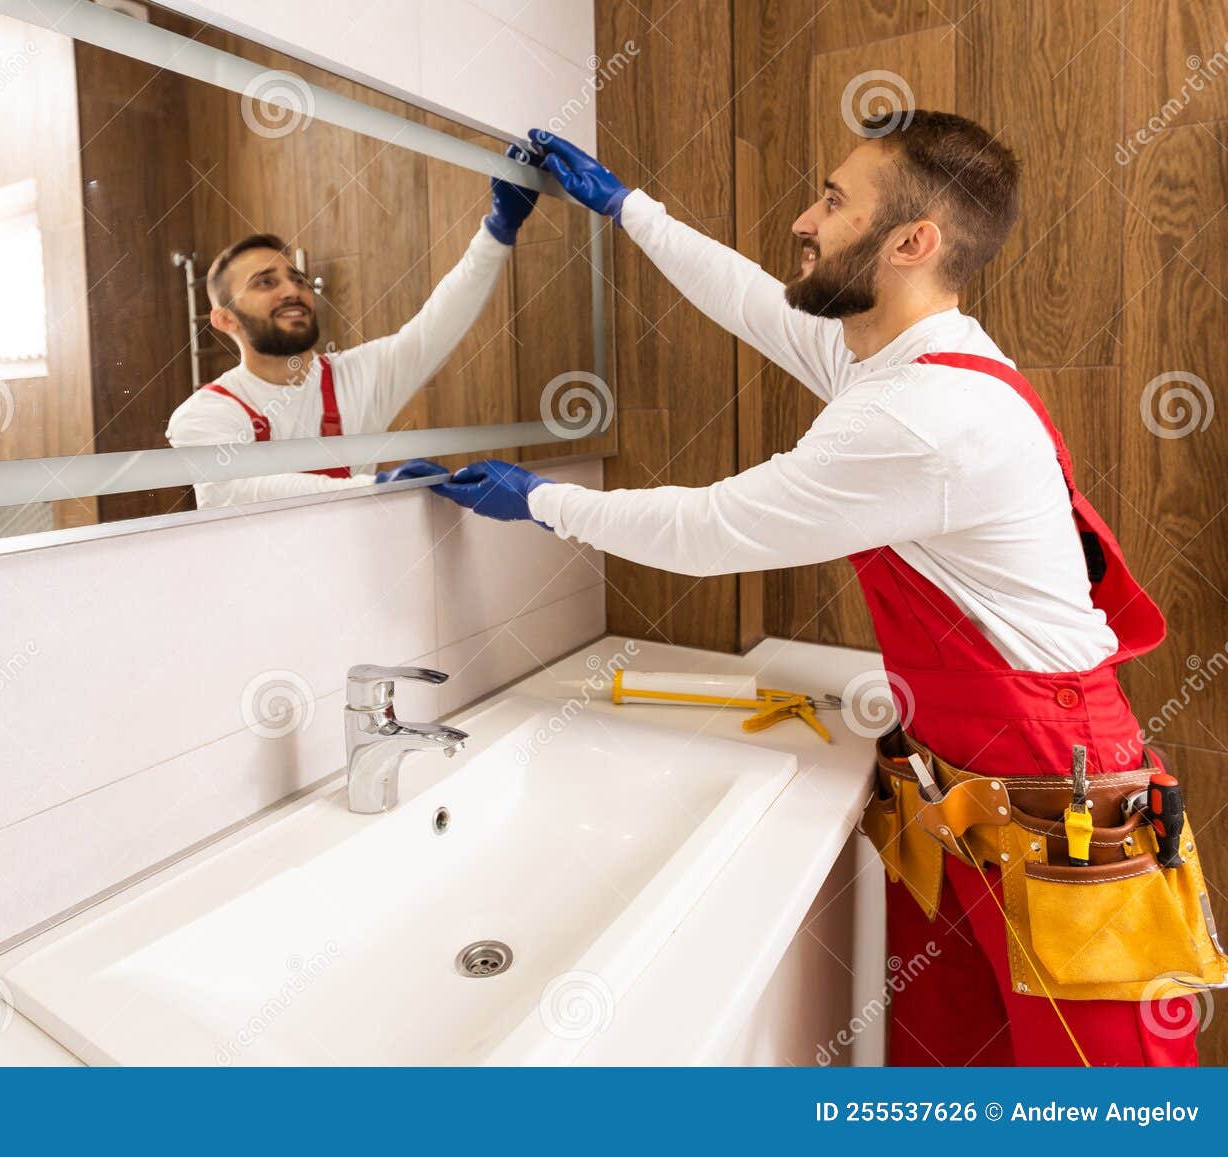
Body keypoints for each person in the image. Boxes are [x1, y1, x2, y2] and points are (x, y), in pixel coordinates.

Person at [431, 115, 1225, 1066]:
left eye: (834, 200)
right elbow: (757, 304)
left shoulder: (924, 415)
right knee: (955, 1072)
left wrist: (546, 499)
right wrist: (628, 209)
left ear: (911, 242)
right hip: (963, 788)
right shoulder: (904, 362)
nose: (805, 218)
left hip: (1059, 801)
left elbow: (713, 528)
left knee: (1109, 1108)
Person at [164, 146, 541, 508]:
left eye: (297, 279)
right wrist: (374, 485)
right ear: (224, 318)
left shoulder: (356, 376)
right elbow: (243, 489)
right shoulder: (202, 416)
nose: (292, 291)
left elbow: (441, 322)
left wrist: (498, 228)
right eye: (265, 282)